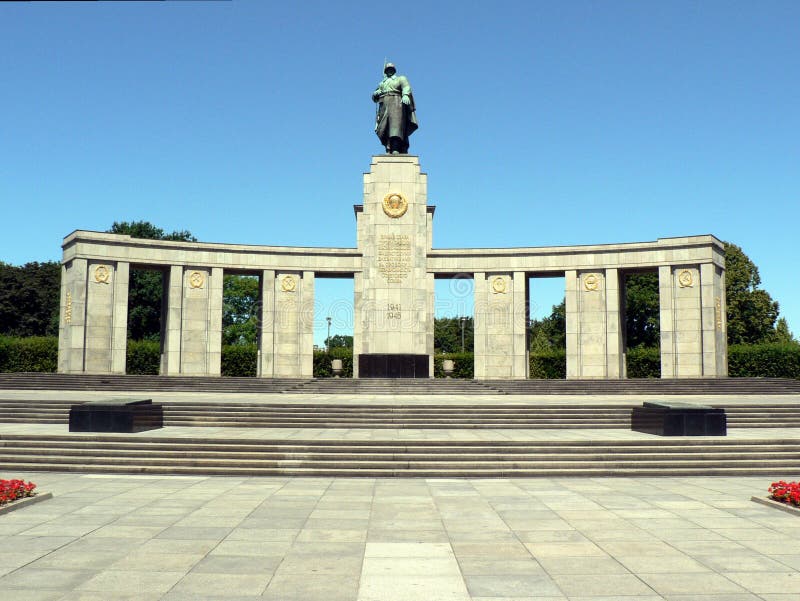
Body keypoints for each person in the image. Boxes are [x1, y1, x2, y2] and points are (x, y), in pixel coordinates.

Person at [372, 63, 418, 154]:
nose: (389, 70)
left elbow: (406, 87)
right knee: (384, 128)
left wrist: (405, 95)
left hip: (396, 103)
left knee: (395, 127)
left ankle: (395, 148)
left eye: (391, 69)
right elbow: (374, 97)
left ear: (394, 70)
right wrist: (376, 93)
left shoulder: (400, 79)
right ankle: (388, 148)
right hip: (384, 105)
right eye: (388, 69)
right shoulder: (382, 83)